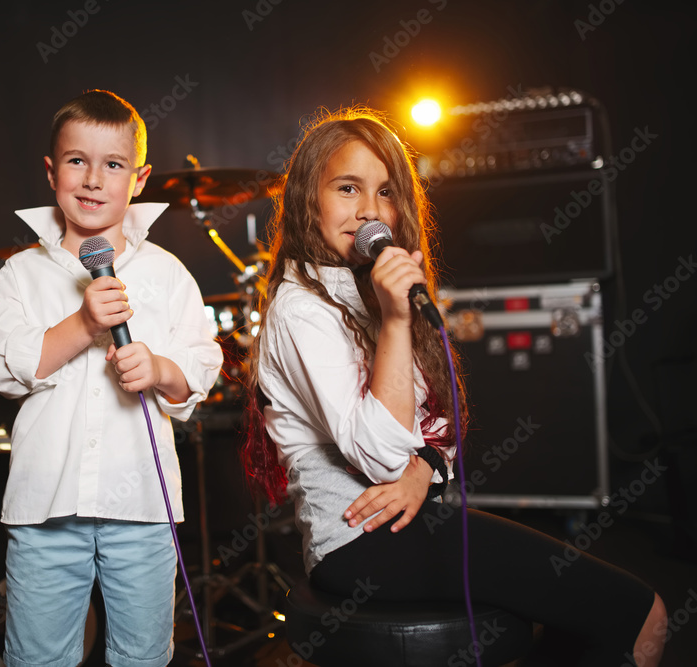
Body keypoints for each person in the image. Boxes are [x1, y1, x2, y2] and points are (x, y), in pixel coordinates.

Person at [241, 107, 667, 666]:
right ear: (307, 199)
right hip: (360, 546)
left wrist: (424, 470)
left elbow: (438, 425)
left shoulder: (365, 294)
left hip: (413, 521)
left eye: (386, 192)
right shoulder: (303, 309)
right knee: (645, 618)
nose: (370, 211)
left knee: (607, 619)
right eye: (348, 188)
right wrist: (397, 326)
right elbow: (379, 455)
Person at [0, 90, 223, 667]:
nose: (92, 179)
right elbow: (4, 366)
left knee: (142, 655)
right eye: (76, 160)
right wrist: (83, 323)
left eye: (112, 165)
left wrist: (159, 369)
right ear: (51, 170)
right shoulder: (21, 273)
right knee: (38, 656)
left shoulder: (166, 272)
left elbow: (200, 366)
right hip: (45, 506)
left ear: (138, 179)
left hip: (141, 504)